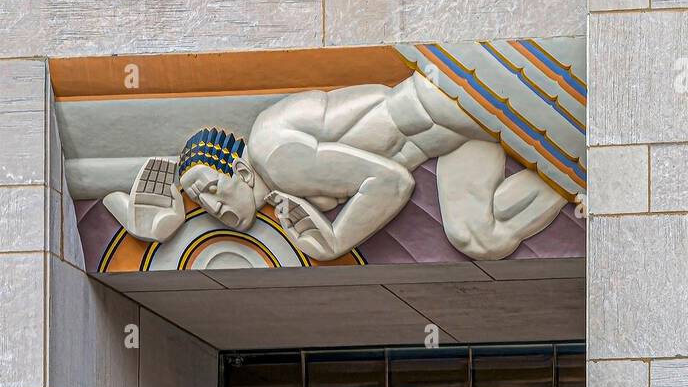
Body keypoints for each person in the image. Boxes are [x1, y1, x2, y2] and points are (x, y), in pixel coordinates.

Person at [104, 72, 568, 261]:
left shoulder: (275, 157)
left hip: (450, 104)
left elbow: (389, 181)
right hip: (455, 136)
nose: (208, 204)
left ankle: (580, 164)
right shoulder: (278, 174)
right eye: (197, 199)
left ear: (240, 172)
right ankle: (580, 182)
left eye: (207, 187)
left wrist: (335, 242)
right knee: (477, 238)